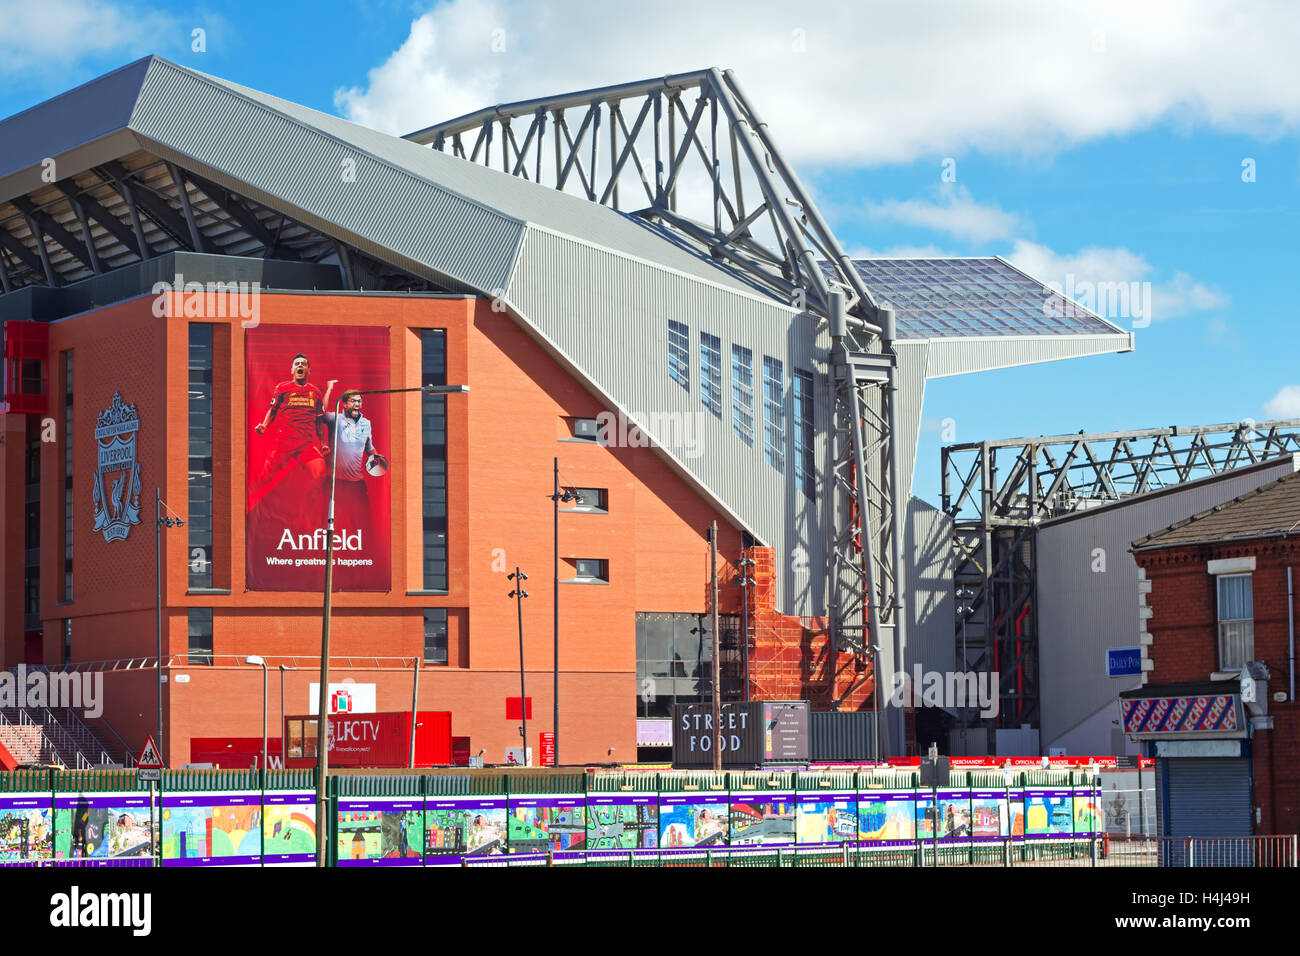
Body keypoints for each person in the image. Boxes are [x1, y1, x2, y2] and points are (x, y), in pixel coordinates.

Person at [249, 353, 337, 513]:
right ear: (292, 370)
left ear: (309, 370)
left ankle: (304, 511)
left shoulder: (315, 392)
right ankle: (243, 496)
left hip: (307, 444)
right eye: (297, 364)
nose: (300, 366)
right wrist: (264, 426)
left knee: (321, 473)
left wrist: (323, 443)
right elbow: (273, 410)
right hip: (285, 441)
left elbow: (319, 421)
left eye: (303, 364)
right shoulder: (282, 388)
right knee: (265, 477)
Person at [321, 390, 384, 537]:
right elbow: (322, 414)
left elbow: (369, 447)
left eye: (359, 401)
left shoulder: (366, 423)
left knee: (363, 526)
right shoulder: (335, 418)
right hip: (333, 483)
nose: (357, 404)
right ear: (344, 404)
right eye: (353, 401)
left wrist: (378, 459)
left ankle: (366, 555)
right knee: (325, 524)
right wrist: (330, 389)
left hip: (356, 485)